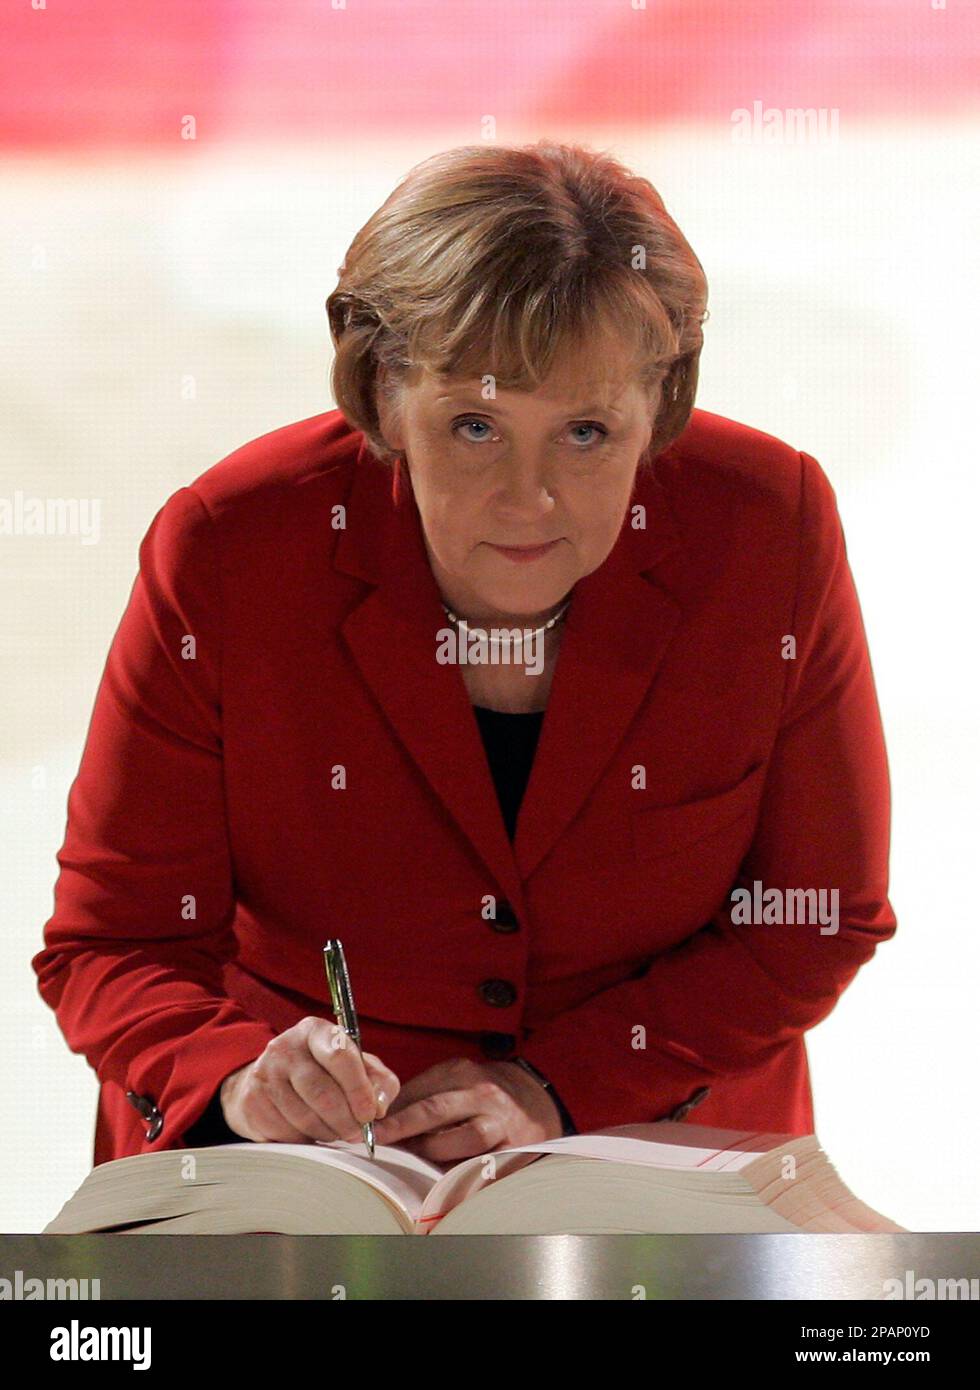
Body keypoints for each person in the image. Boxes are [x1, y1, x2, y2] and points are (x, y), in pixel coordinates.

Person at [32, 140, 897, 1169]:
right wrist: (233, 1078)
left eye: (585, 432)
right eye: (474, 425)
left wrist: (560, 1084)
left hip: (668, 1151)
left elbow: (814, 915)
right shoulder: (228, 542)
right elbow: (115, 940)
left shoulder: (768, 522)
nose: (527, 499)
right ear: (382, 393)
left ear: (660, 405)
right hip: (307, 1169)